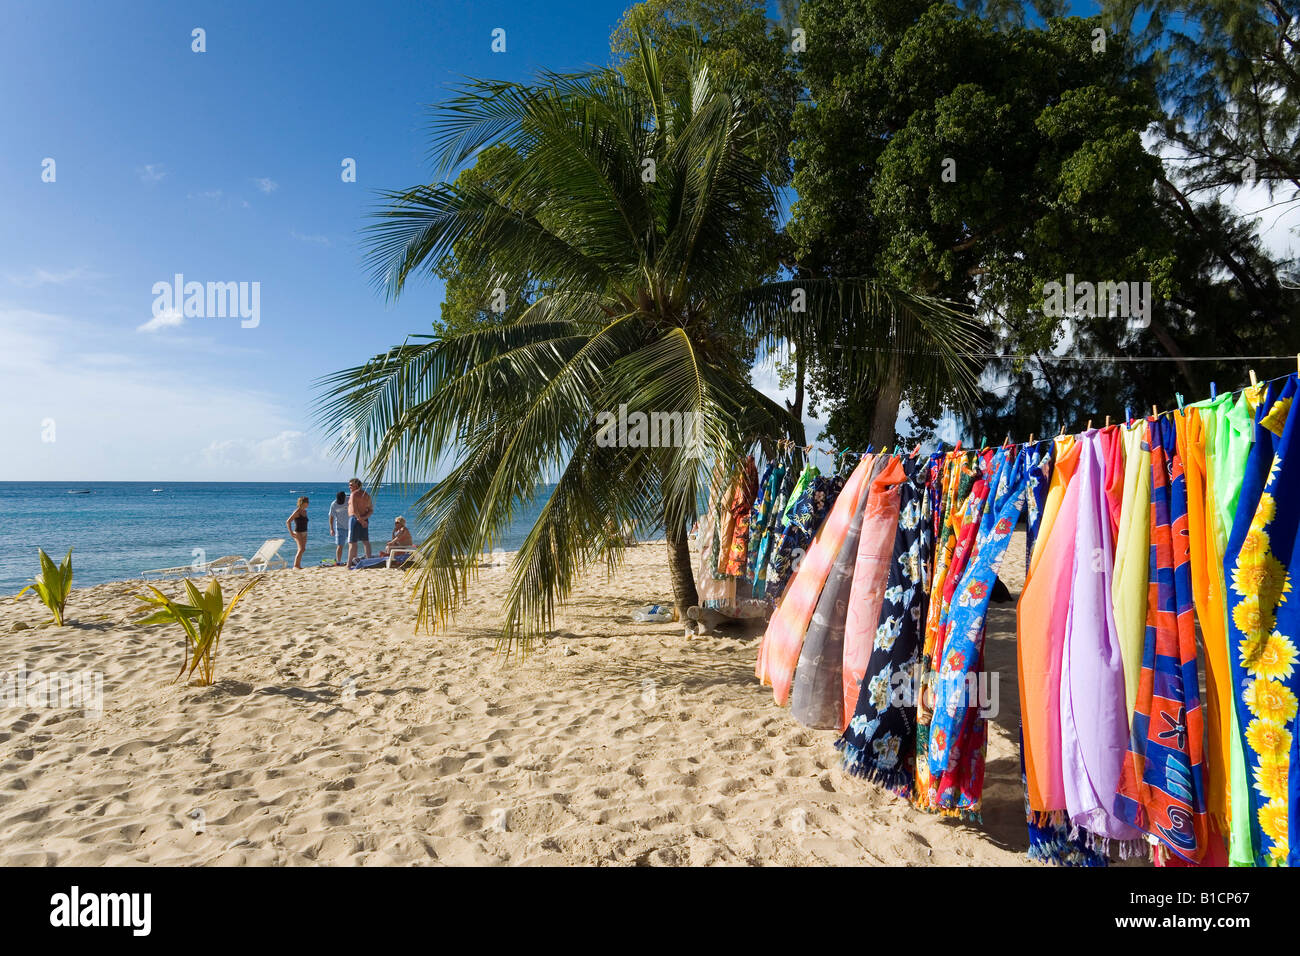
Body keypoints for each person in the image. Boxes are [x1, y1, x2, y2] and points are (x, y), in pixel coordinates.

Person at [347, 478, 374, 565]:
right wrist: (364, 518)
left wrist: (360, 520)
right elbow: (370, 510)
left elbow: (355, 511)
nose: (349, 487)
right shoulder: (366, 495)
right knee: (366, 542)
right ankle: (369, 561)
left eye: (351, 485)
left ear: (356, 485)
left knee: (352, 543)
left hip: (355, 519)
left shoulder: (353, 494)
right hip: (364, 519)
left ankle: (348, 564)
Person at [285, 495, 309, 569]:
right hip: (298, 532)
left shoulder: (305, 511)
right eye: (307, 502)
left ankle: (298, 565)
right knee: (301, 549)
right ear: (303, 503)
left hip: (305, 532)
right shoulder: (297, 511)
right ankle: (295, 565)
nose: (308, 504)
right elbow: (288, 521)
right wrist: (291, 532)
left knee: (303, 549)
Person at [328, 491, 350, 566]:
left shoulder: (349, 499)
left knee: (352, 544)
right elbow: (331, 517)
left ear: (344, 497)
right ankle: (338, 562)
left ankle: (350, 560)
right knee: (340, 545)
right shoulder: (334, 504)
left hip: (350, 526)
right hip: (340, 527)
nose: (340, 502)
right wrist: (331, 528)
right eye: (339, 500)